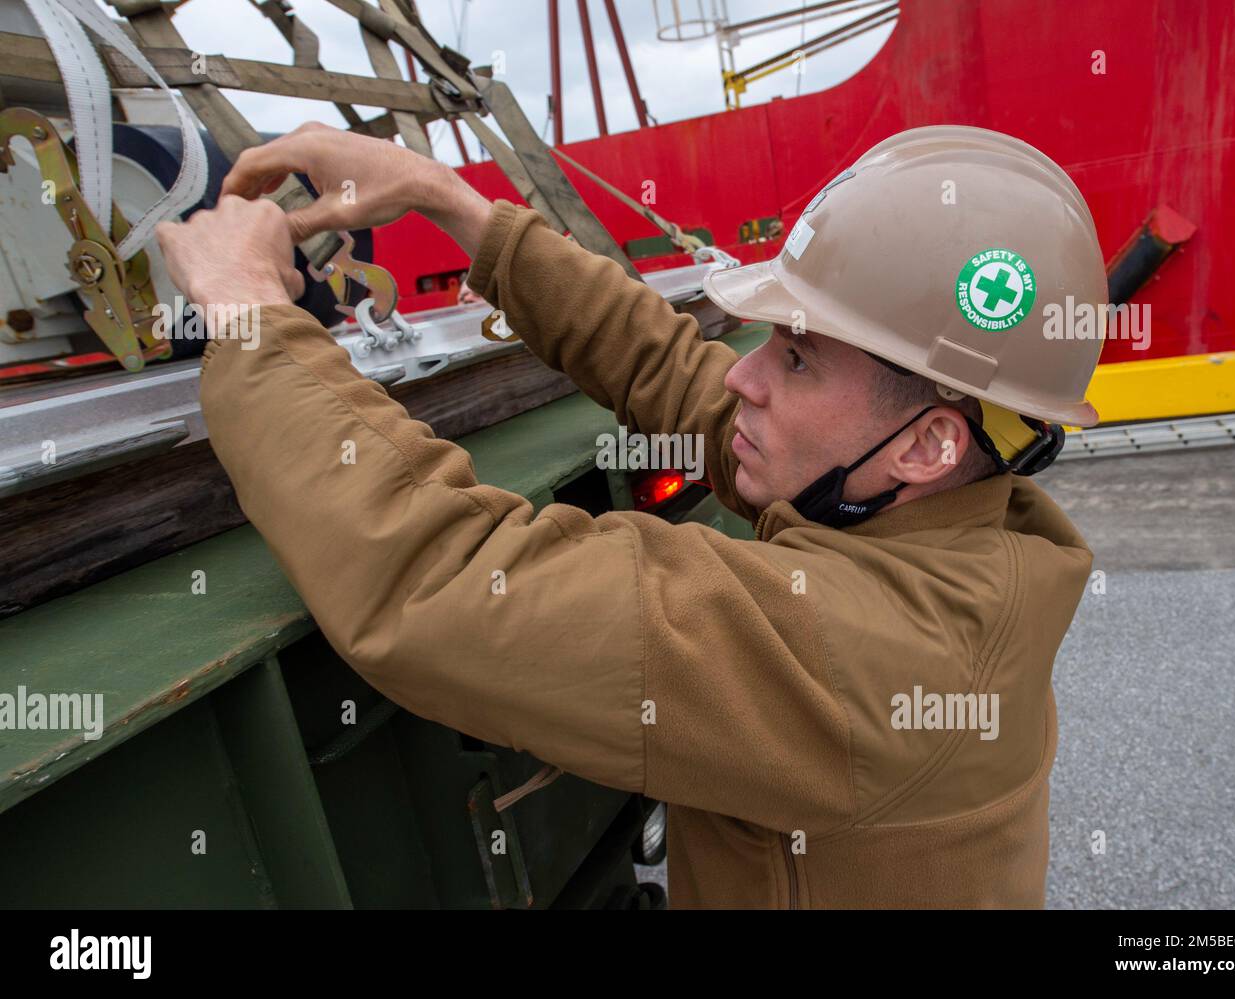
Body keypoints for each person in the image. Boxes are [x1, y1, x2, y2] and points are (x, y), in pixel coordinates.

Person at [155, 122, 1106, 908]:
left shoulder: (860, 656)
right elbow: (683, 380)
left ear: (927, 443)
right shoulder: (956, 511)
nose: (746, 375)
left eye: (799, 357)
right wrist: (457, 207)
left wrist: (246, 312)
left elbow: (447, 588)